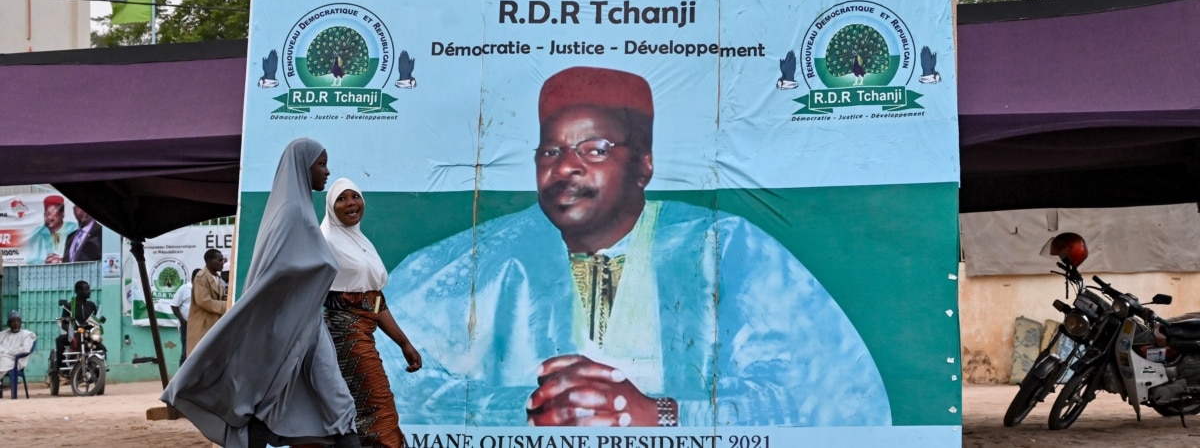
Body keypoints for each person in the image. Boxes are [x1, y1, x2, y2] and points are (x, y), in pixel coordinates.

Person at [383, 66, 890, 427]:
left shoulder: (725, 249)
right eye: (551, 152)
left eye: (594, 150)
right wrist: (524, 409)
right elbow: (374, 373)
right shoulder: (472, 260)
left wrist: (662, 414)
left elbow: (837, 395)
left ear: (644, 164)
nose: (565, 167)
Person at [162, 138, 362, 448]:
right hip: (289, 327)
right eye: (320, 164)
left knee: (303, 401)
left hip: (302, 324)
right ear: (302, 166)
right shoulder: (292, 214)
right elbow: (277, 273)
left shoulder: (295, 211)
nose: (326, 171)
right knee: (286, 401)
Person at [321, 178, 422, 448]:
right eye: (342, 198)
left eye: (355, 196)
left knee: (370, 405)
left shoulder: (359, 241)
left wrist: (404, 343)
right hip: (345, 333)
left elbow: (375, 301)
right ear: (331, 207)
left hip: (364, 331)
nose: (351, 203)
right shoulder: (325, 241)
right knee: (376, 405)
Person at [186, 249, 228, 356]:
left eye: (223, 260)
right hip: (203, 325)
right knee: (201, 357)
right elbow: (204, 301)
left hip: (214, 323)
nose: (222, 263)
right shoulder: (201, 277)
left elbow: (223, 296)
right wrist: (227, 305)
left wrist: (232, 299)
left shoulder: (217, 278)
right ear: (209, 261)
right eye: (219, 260)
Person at [55, 280, 98, 368]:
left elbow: (94, 320)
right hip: (74, 334)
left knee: (101, 346)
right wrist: (71, 333)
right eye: (87, 289)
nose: (89, 291)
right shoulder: (69, 306)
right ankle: (59, 367)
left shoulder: (91, 306)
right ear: (79, 291)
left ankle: (101, 366)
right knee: (59, 340)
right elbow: (64, 324)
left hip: (88, 335)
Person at [27, 195, 77, 264]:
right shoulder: (37, 233)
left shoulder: (74, 229)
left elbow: (82, 255)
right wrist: (45, 262)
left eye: (53, 213)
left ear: (62, 214)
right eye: (47, 213)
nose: (49, 217)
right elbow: (30, 261)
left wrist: (64, 260)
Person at [172, 268, 200, 365]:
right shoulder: (184, 289)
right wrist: (183, 321)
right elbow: (174, 305)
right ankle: (181, 378)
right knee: (185, 352)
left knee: (198, 351)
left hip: (199, 325)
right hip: (186, 325)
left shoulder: (203, 289)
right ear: (194, 278)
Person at [0, 310, 36, 376]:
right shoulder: (4, 334)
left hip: (16, 360)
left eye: (18, 321)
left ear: (20, 322)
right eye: (13, 321)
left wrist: (6, 352)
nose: (16, 323)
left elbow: (25, 350)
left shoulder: (26, 335)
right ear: (8, 324)